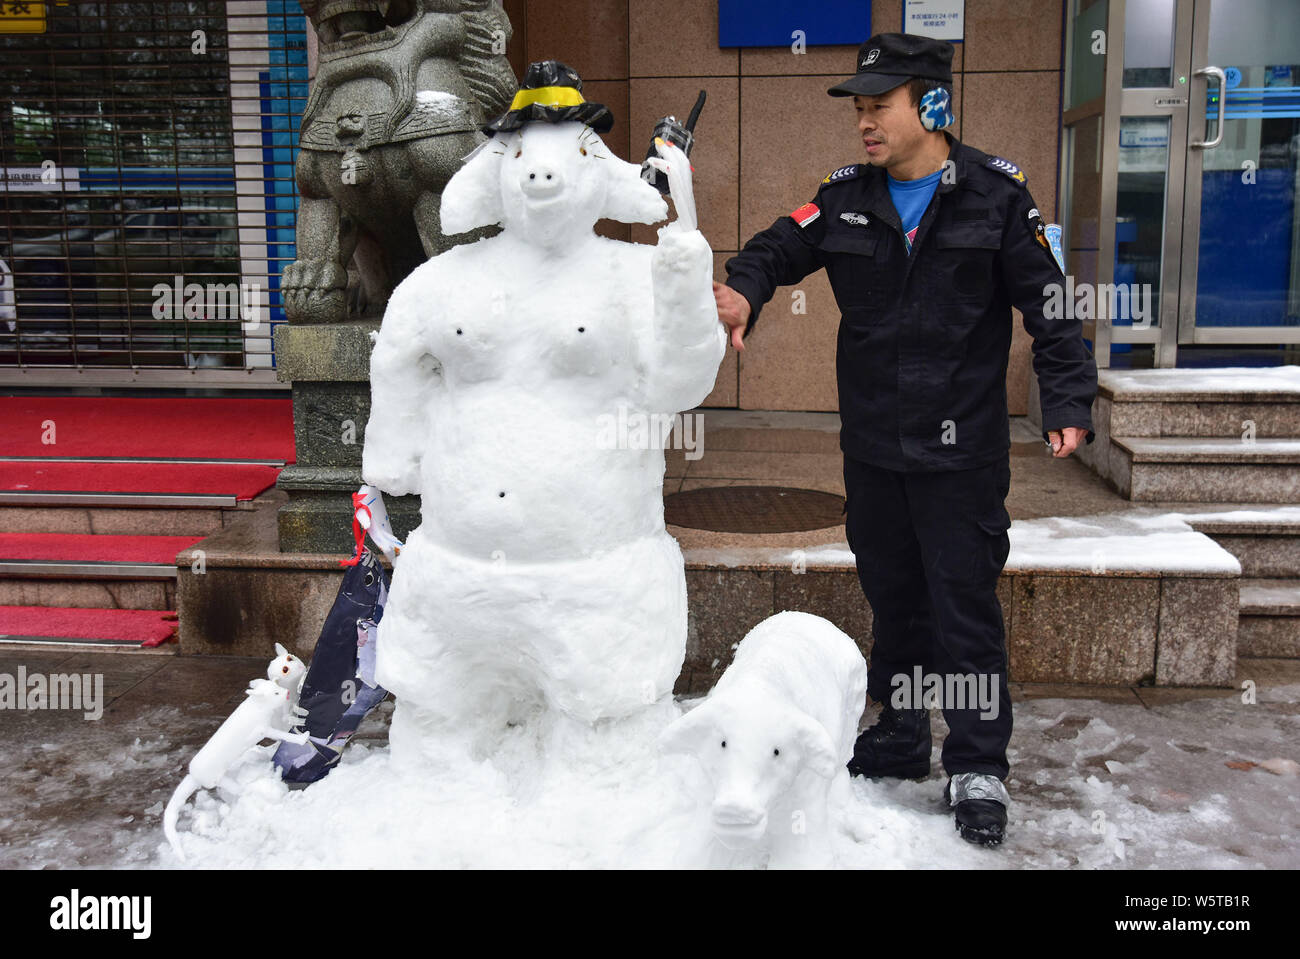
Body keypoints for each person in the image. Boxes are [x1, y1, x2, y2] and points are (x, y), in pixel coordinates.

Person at [713, 32, 1098, 846]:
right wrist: (745, 290)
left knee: (963, 607)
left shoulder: (996, 198)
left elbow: (1053, 310)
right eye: (858, 109)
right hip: (876, 449)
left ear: (930, 103)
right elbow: (780, 246)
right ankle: (899, 733)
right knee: (894, 596)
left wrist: (1067, 397)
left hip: (962, 454)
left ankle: (977, 763)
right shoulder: (849, 196)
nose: (864, 123)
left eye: (878, 105)